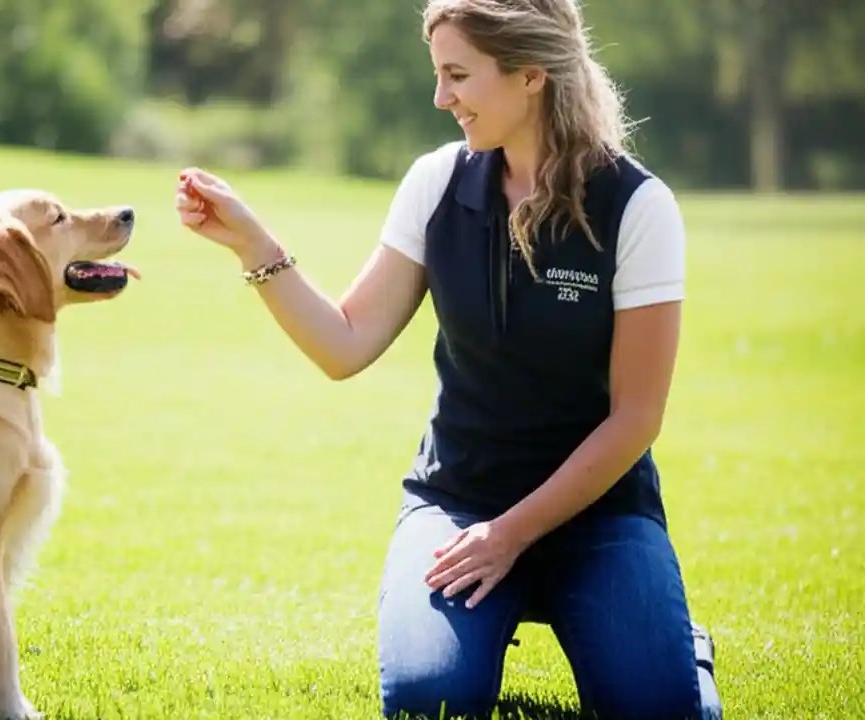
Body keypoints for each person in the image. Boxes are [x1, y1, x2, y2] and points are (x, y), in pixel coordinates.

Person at [173, 0, 723, 718]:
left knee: (658, 707)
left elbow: (637, 416)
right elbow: (344, 344)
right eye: (439, 74)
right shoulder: (437, 184)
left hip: (600, 513)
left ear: (531, 74)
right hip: (457, 502)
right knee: (431, 700)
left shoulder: (638, 206)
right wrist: (253, 246)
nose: (442, 97)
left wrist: (512, 535)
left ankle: (686, 654)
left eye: (458, 74)